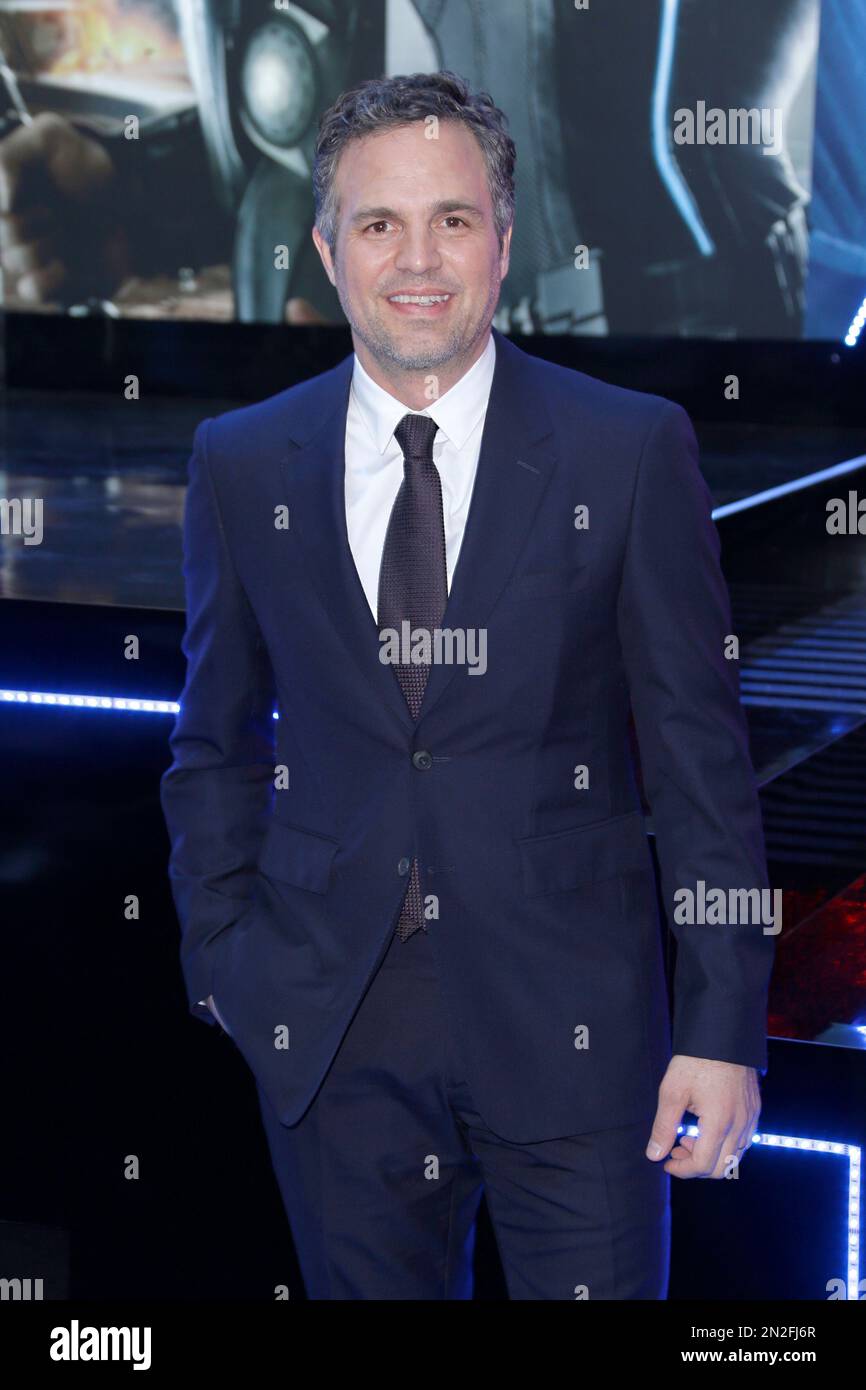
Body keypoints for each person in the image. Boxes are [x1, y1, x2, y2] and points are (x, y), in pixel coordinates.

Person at [159, 70, 775, 1301]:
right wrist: (226, 955)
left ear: (502, 240)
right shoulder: (238, 459)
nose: (415, 258)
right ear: (328, 250)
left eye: (450, 218)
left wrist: (719, 1031)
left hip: (578, 1036)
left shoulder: (628, 445)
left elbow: (702, 766)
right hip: (331, 1026)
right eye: (378, 224)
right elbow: (212, 745)